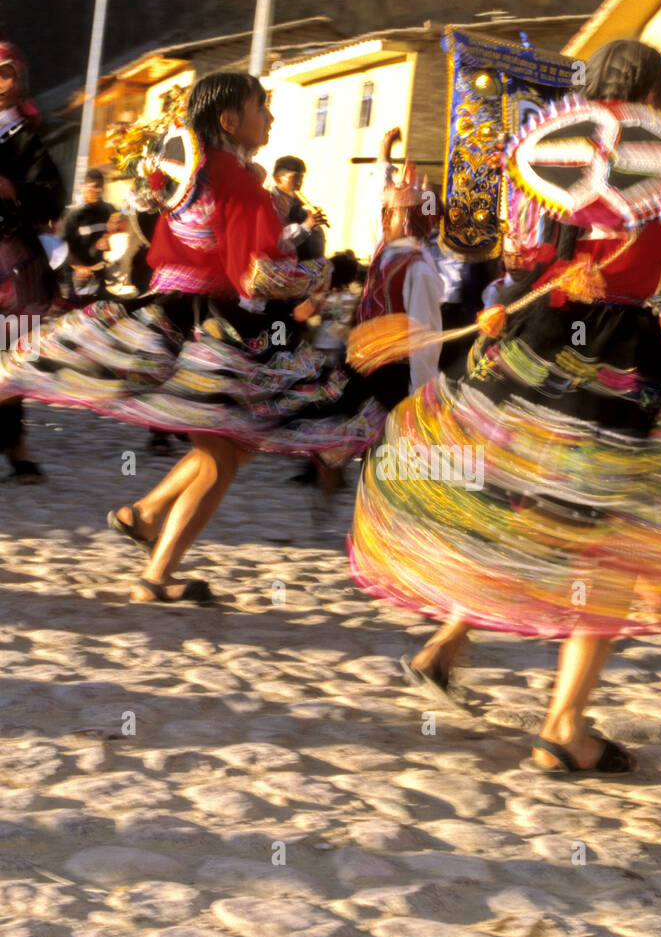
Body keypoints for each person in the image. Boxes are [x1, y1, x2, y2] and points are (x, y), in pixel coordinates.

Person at [350, 41, 661, 777]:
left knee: (528, 504)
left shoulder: (540, 153)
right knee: (615, 542)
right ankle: (565, 727)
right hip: (613, 362)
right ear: (657, 98)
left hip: (528, 342)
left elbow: (517, 247)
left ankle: (449, 642)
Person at [0, 71, 385, 601]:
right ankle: (156, 576)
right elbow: (258, 276)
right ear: (230, 120)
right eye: (262, 108)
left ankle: (148, 515)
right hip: (218, 327)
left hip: (169, 312)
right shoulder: (240, 181)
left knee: (237, 442)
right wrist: (327, 272)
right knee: (222, 454)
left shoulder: (196, 171)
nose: (270, 118)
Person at [0, 41, 65, 482]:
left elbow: (52, 197)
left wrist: (14, 190)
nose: (1, 82)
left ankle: (17, 446)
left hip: (12, 257)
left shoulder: (26, 137)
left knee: (10, 355)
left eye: (7, 73)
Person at [355, 159, 444, 407]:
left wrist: (419, 397)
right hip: (372, 371)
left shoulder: (419, 268)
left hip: (396, 379)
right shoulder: (386, 254)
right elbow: (374, 211)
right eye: (385, 211)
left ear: (408, 222)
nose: (383, 219)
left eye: (391, 213)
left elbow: (424, 339)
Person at [61, 168, 118, 302]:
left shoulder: (110, 210)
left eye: (99, 187)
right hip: (83, 278)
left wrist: (110, 238)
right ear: (84, 187)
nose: (96, 191)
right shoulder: (73, 215)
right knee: (85, 312)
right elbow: (60, 247)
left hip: (108, 274)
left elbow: (118, 232)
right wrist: (78, 267)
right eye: (93, 186)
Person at [269, 155, 327, 260]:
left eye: (301, 178)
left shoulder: (300, 208)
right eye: (295, 178)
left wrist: (315, 227)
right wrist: (306, 225)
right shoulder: (269, 203)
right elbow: (278, 243)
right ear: (278, 179)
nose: (299, 183)